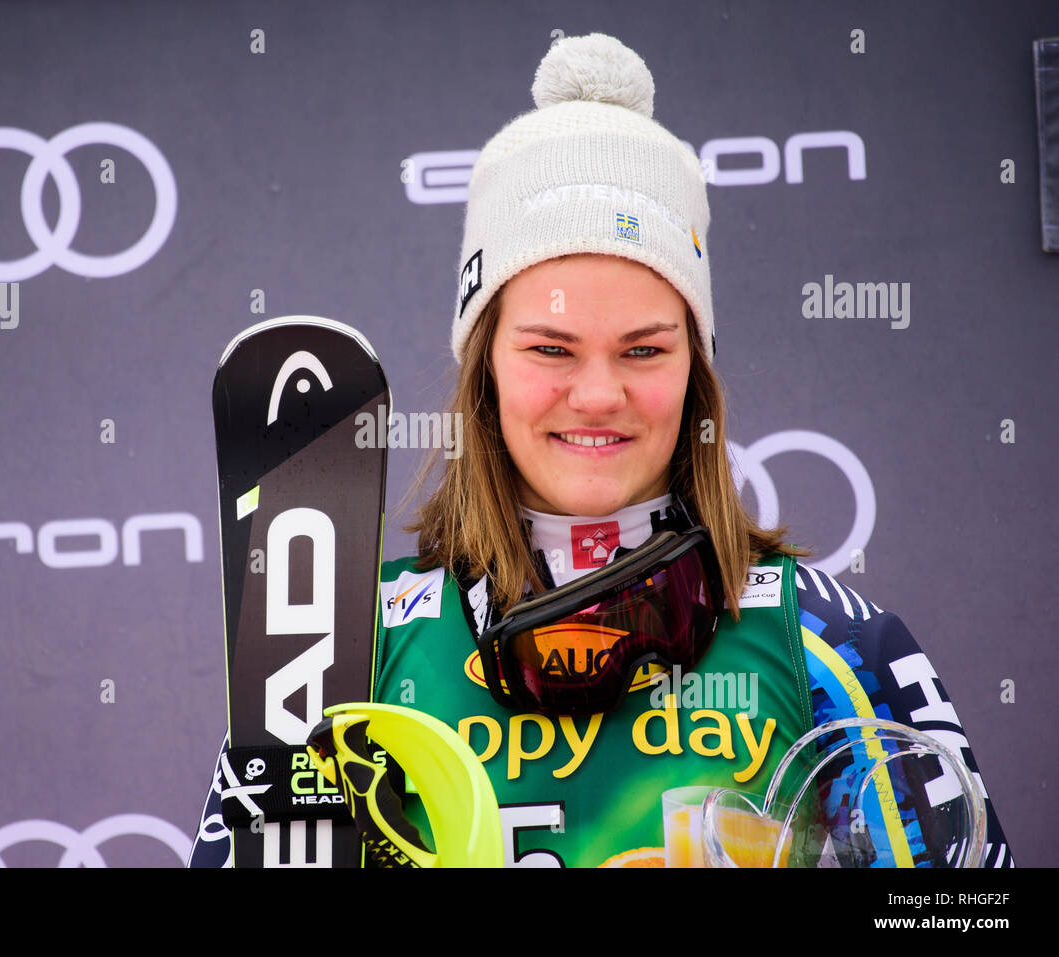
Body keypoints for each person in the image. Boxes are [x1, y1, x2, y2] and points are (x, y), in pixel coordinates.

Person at [191, 33, 1012, 868]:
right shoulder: (336, 650)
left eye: (644, 349)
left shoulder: (826, 639)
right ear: (486, 368)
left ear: (697, 370)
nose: (597, 394)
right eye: (550, 348)